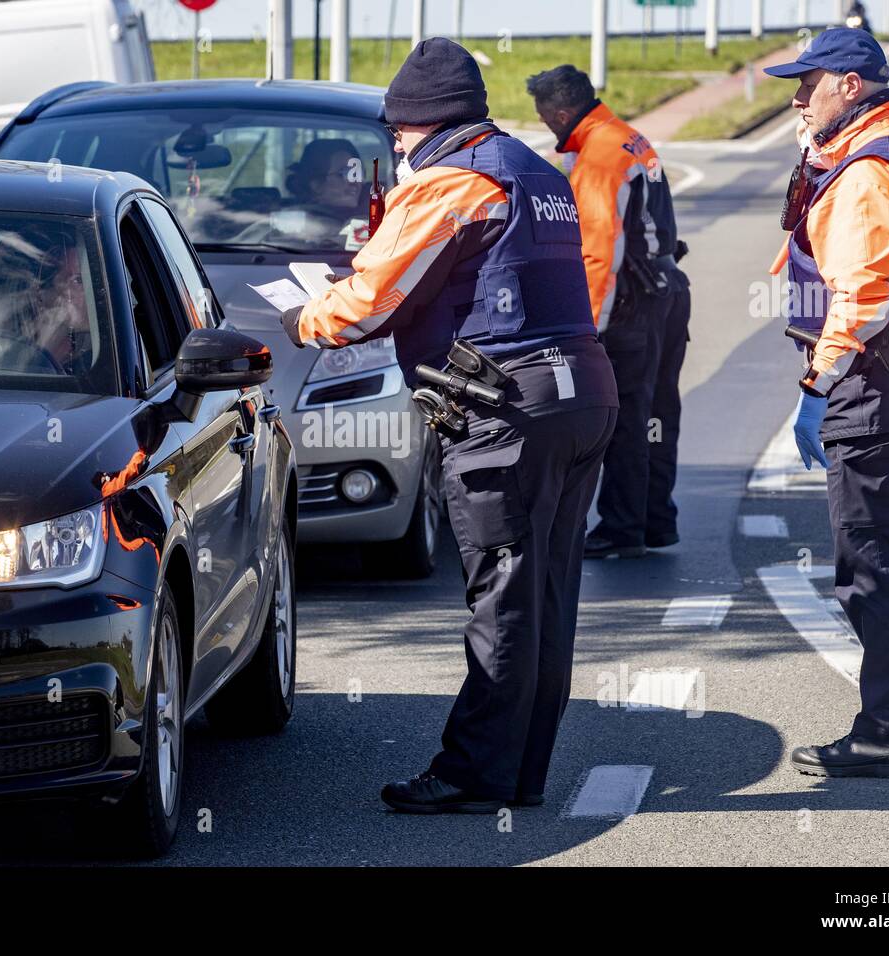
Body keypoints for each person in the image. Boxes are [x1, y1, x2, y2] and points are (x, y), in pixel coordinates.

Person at [279, 37, 618, 812]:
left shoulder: (449, 180)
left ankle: (472, 773)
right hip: (583, 394)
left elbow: (369, 304)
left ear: (420, 126)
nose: (394, 147)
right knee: (545, 592)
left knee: (502, 592)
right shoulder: (533, 169)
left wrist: (302, 318)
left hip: (508, 408)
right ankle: (519, 772)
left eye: (396, 134)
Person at [763, 28, 889, 777]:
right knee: (887, 555)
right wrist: (818, 150)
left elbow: (866, 294)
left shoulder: (870, 172)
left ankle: (886, 734)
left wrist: (817, 386)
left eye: (807, 83)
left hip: (872, 381)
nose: (795, 96)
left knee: (868, 564)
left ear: (849, 84)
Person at [527, 65, 691, 559]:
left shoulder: (598, 159)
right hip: (667, 291)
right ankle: (656, 519)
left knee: (623, 417)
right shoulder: (628, 138)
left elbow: (599, 253)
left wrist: (589, 332)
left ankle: (622, 527)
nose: (545, 125)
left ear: (559, 113)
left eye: (543, 116)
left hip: (630, 303)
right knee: (658, 413)